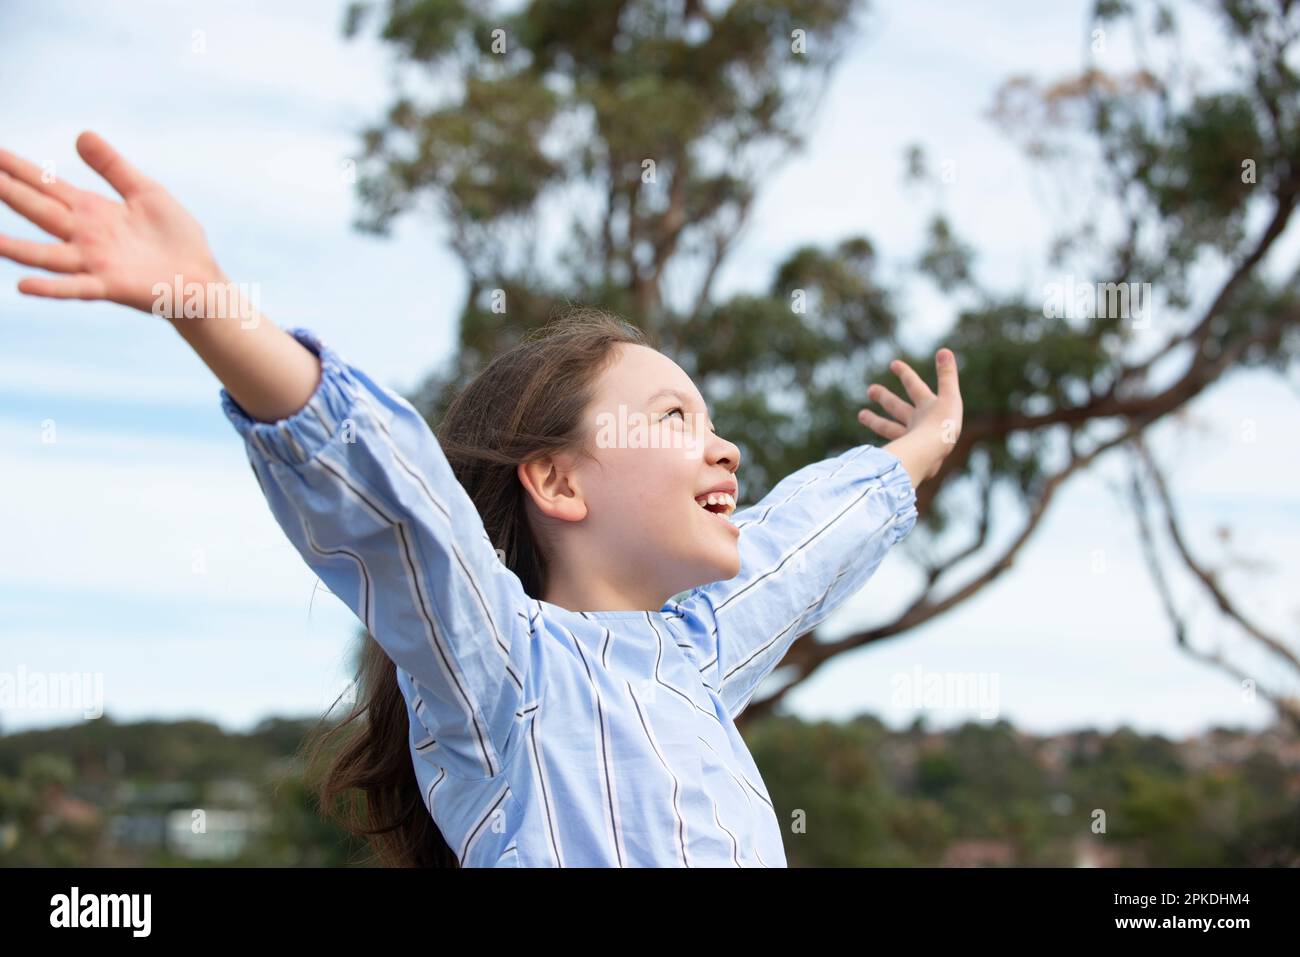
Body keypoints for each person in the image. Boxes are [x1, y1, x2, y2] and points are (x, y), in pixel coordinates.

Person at [0, 132, 964, 867]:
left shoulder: (698, 652)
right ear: (557, 480)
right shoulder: (504, 665)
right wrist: (205, 301)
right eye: (675, 417)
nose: (726, 447)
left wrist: (922, 444)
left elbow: (805, 540)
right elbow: (395, 500)